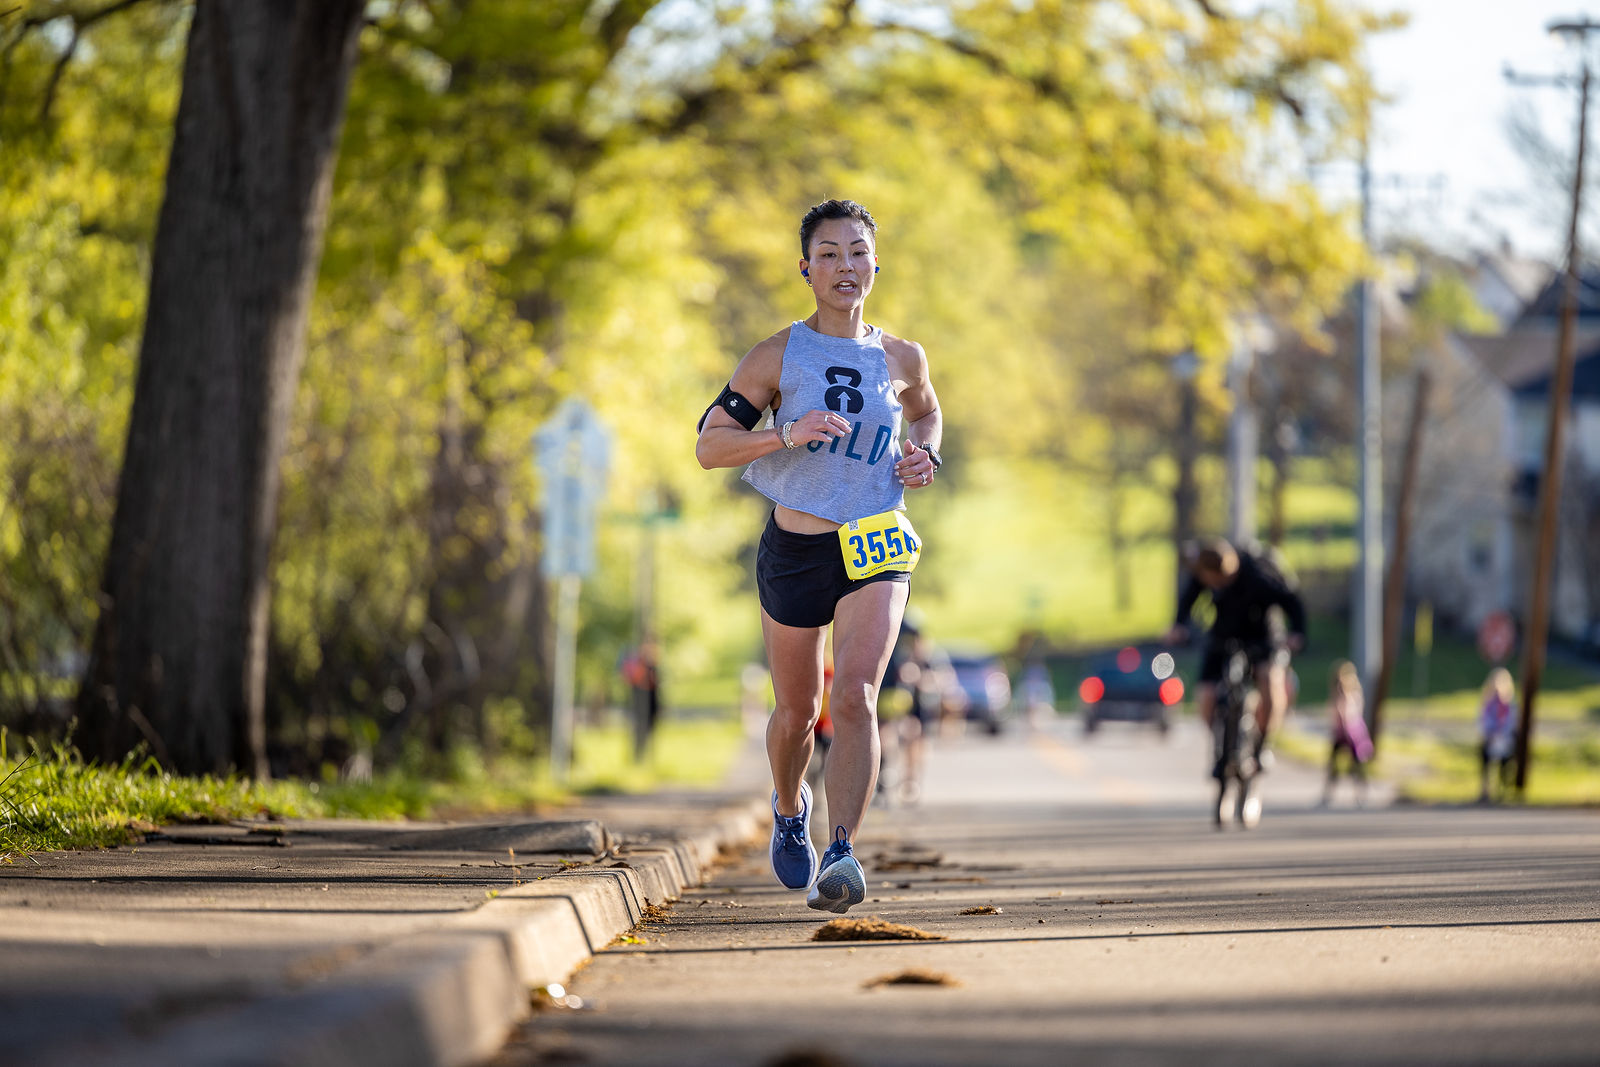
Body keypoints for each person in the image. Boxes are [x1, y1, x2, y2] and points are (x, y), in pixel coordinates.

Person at [695, 198, 942, 914]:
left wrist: (925, 452)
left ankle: (842, 851)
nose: (845, 266)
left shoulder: (902, 355)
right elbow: (710, 446)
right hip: (797, 546)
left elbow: (926, 410)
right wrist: (784, 433)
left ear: (875, 263)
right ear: (806, 268)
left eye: (857, 252)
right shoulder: (776, 355)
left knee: (857, 694)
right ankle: (787, 802)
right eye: (828, 254)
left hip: (875, 538)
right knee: (796, 713)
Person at [1164, 536, 1306, 774]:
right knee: (1207, 694)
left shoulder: (1258, 578)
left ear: (1227, 573)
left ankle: (1262, 745)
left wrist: (1297, 633)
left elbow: (1291, 601)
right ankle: (1223, 742)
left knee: (1269, 682)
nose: (1211, 584)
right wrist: (1178, 626)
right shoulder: (1205, 573)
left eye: (1216, 581)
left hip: (1262, 636)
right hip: (1223, 637)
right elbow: (1188, 599)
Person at [1321, 660, 1373, 807]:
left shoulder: (1350, 694)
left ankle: (1360, 793)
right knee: (1336, 766)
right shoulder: (1339, 694)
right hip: (1344, 733)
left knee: (1355, 765)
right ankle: (1330, 794)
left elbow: (1347, 713)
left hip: (1351, 734)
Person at [1478, 667, 1517, 803]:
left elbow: (1511, 723)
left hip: (1504, 739)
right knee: (1484, 754)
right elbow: (1484, 721)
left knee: (1506, 760)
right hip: (1491, 737)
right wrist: (1491, 733)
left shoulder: (1509, 706)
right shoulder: (1489, 705)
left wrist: (1502, 734)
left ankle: (1503, 788)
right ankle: (1485, 789)